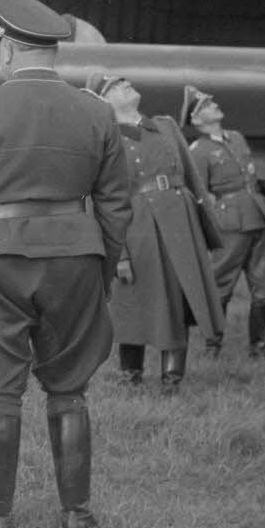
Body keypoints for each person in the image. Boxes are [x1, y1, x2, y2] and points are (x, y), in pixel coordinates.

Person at [0, 0, 131, 528]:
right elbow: (116, 205)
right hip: (77, 260)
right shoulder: (97, 111)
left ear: (9, 47)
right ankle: (76, 514)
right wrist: (102, 269)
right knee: (69, 389)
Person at [86, 70, 224, 395]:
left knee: (178, 296)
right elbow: (104, 200)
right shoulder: (104, 138)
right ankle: (130, 373)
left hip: (181, 222)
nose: (125, 84)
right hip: (137, 228)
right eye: (116, 85)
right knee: (134, 299)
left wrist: (204, 228)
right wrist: (118, 254)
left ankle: (172, 379)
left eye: (125, 80)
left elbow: (193, 179)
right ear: (104, 100)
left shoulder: (166, 125)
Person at [183, 85, 265, 359]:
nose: (214, 105)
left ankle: (260, 350)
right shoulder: (199, 150)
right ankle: (212, 345)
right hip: (229, 225)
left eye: (212, 102)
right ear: (197, 119)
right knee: (220, 285)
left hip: (258, 217)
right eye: (206, 105)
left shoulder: (236, 137)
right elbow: (199, 193)